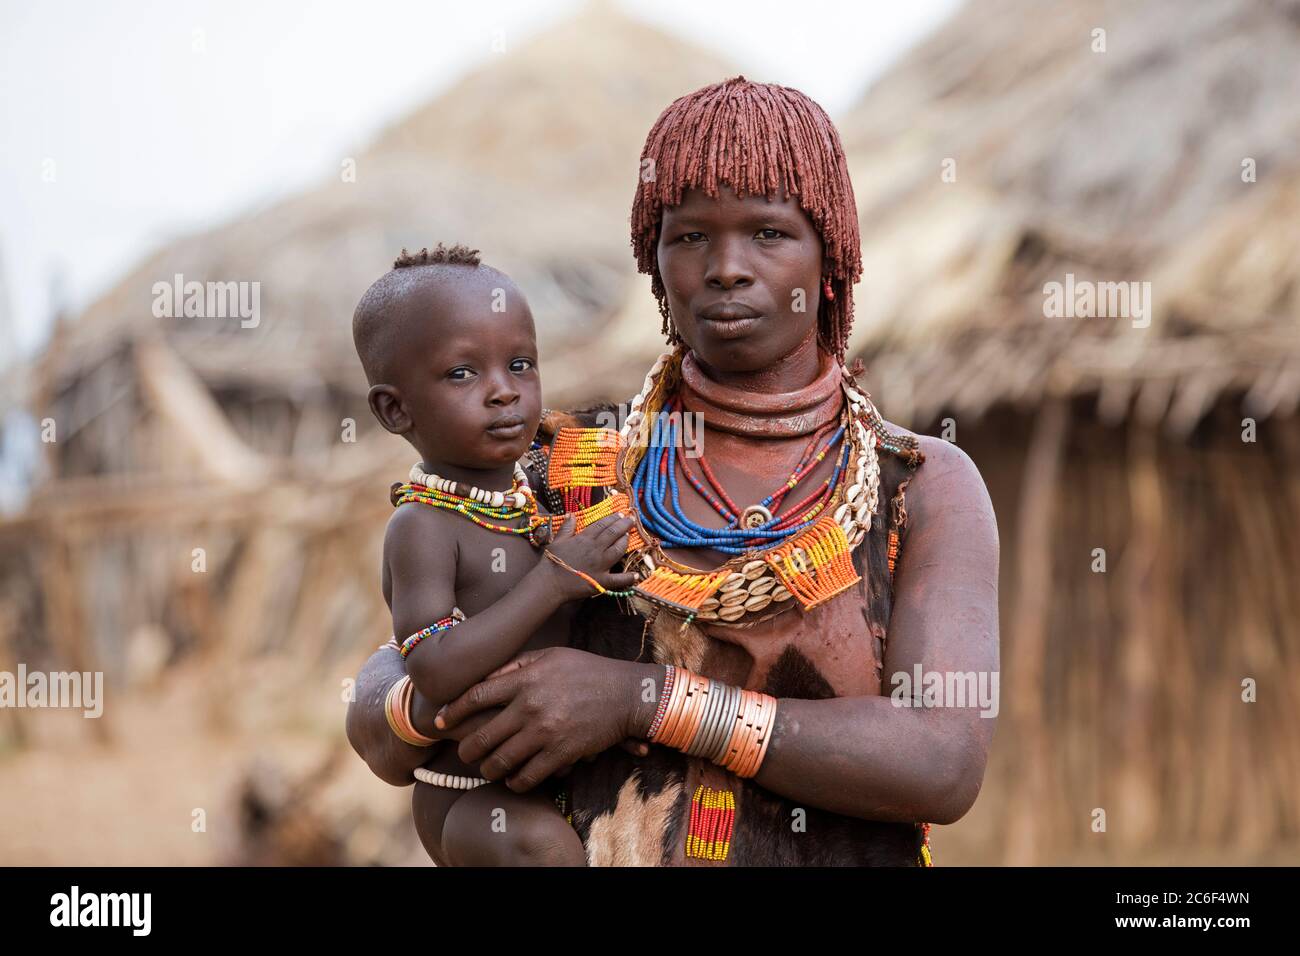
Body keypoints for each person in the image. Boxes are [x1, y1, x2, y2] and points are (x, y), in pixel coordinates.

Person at [348, 77, 1000, 866]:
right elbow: (379, 718)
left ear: (831, 254)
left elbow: (942, 762)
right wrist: (424, 702)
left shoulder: (919, 485)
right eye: (689, 237)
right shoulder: (559, 469)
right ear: (653, 264)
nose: (726, 267)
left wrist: (642, 700)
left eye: (768, 232)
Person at [350, 241, 639, 865]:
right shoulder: (423, 526)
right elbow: (433, 668)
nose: (503, 392)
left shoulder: (543, 495)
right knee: (541, 849)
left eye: (520, 364)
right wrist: (557, 579)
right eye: (462, 374)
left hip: (553, 783)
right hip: (473, 800)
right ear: (394, 408)